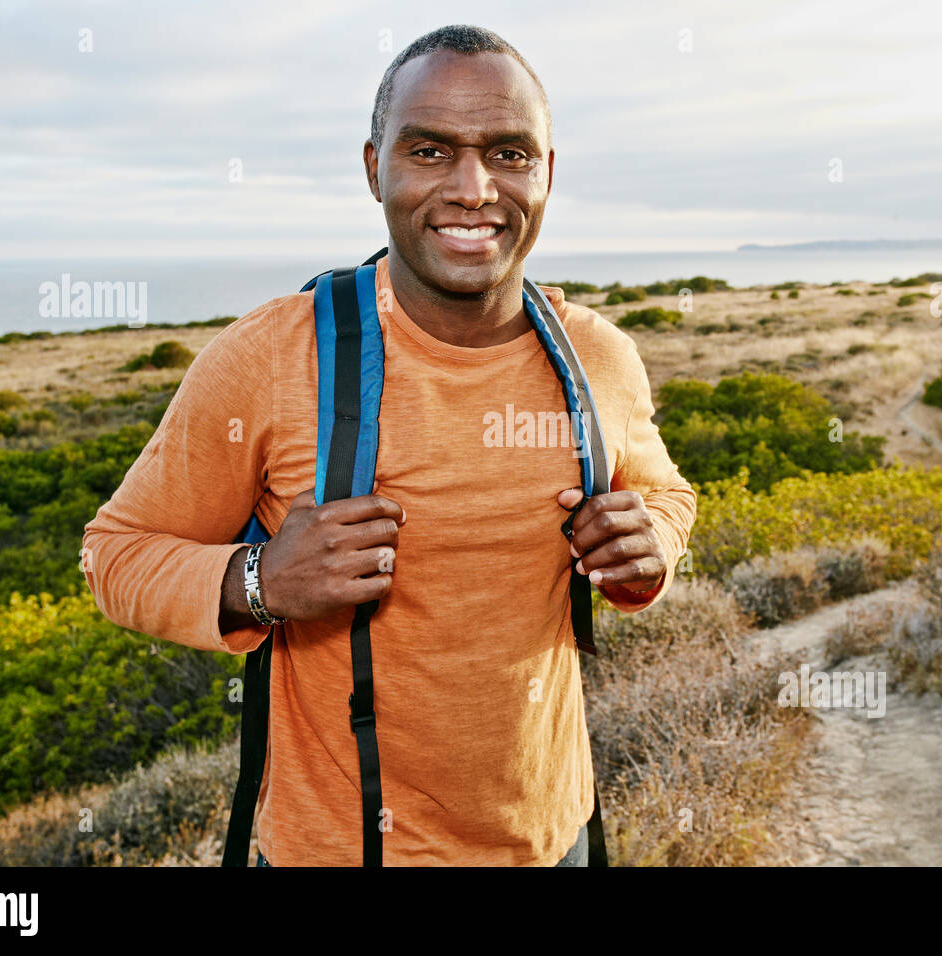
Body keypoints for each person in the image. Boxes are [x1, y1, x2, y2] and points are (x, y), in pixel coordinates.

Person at [82, 23, 697, 866]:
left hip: (555, 842)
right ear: (375, 168)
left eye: (510, 153)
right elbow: (114, 556)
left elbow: (668, 495)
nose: (475, 188)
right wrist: (261, 580)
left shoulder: (597, 357)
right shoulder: (268, 356)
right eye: (432, 150)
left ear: (548, 171)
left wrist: (651, 545)